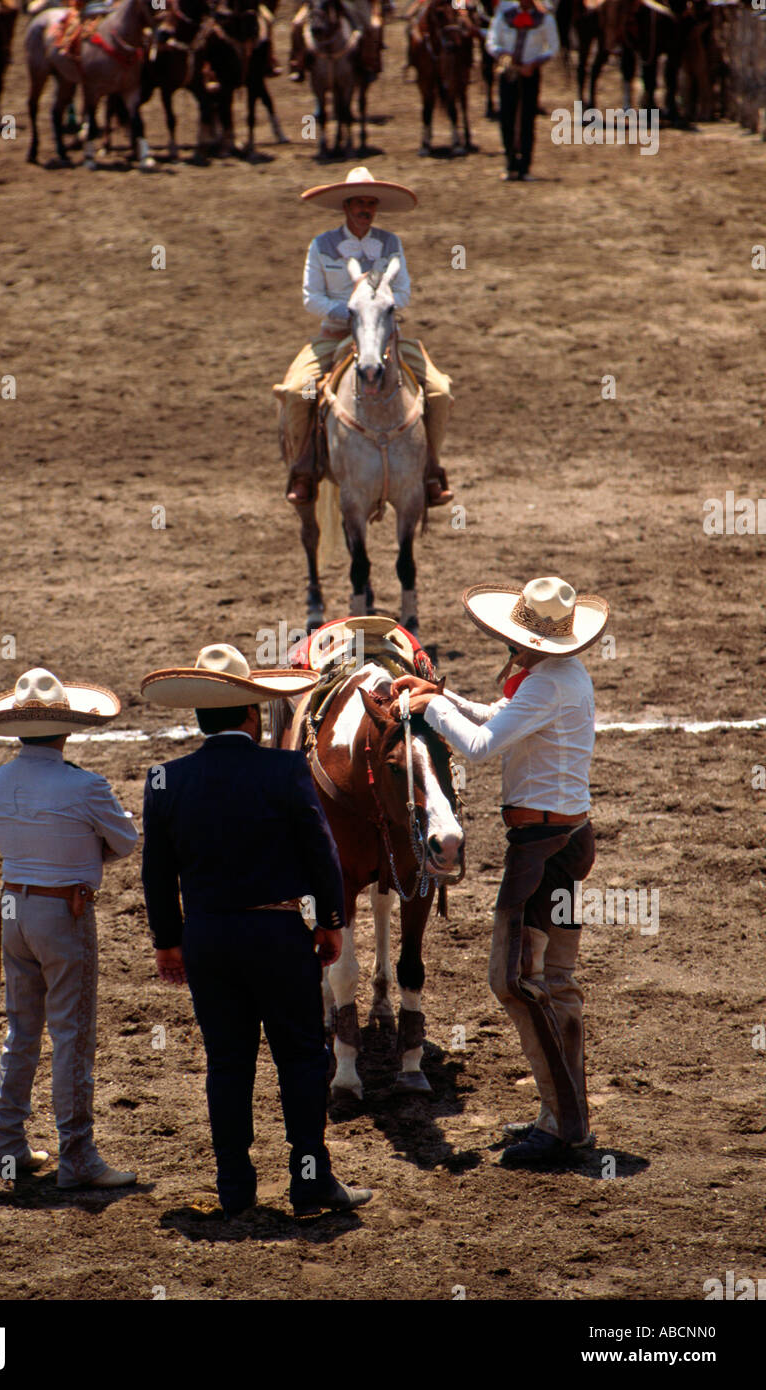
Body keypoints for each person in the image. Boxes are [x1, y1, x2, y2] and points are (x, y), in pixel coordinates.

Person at [139, 642, 374, 1218]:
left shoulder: (166, 780)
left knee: (227, 1061)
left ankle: (235, 1186)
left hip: (209, 939)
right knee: (300, 1056)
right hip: (277, 936)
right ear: (250, 714)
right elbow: (321, 854)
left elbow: (156, 872)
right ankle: (310, 1179)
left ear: (199, 717)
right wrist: (331, 922)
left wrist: (168, 941)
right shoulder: (286, 769)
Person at [390, 577, 610, 1168]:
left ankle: (563, 1121)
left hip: (539, 847)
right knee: (555, 982)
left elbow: (483, 746)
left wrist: (430, 707)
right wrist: (442, 694)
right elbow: (499, 716)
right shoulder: (562, 679)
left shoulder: (545, 684)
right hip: (566, 837)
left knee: (513, 979)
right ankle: (560, 1112)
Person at [0, 667, 139, 1190]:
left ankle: (7, 1146)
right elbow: (126, 841)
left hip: (13, 910)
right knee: (71, 1035)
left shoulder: (0, 779)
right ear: (66, 728)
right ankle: (77, 1155)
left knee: (21, 1030)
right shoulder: (85, 785)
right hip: (64, 914)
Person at [273, 165, 454, 509]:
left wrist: (376, 307)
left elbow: (403, 293)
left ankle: (430, 468)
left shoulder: (391, 243)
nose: (366, 210)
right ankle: (304, 470)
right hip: (335, 334)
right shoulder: (322, 245)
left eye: (371, 203)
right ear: (346, 206)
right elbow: (312, 298)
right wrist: (353, 311)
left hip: (385, 336)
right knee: (298, 391)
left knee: (441, 392)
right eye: (359, 202)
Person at [486, 0, 558, 180]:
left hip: (529, 73)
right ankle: (510, 164)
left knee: (527, 118)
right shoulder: (504, 16)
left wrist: (535, 63)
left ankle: (525, 166)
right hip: (508, 71)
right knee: (506, 117)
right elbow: (492, 40)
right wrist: (502, 55)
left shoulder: (544, 19)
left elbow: (553, 47)